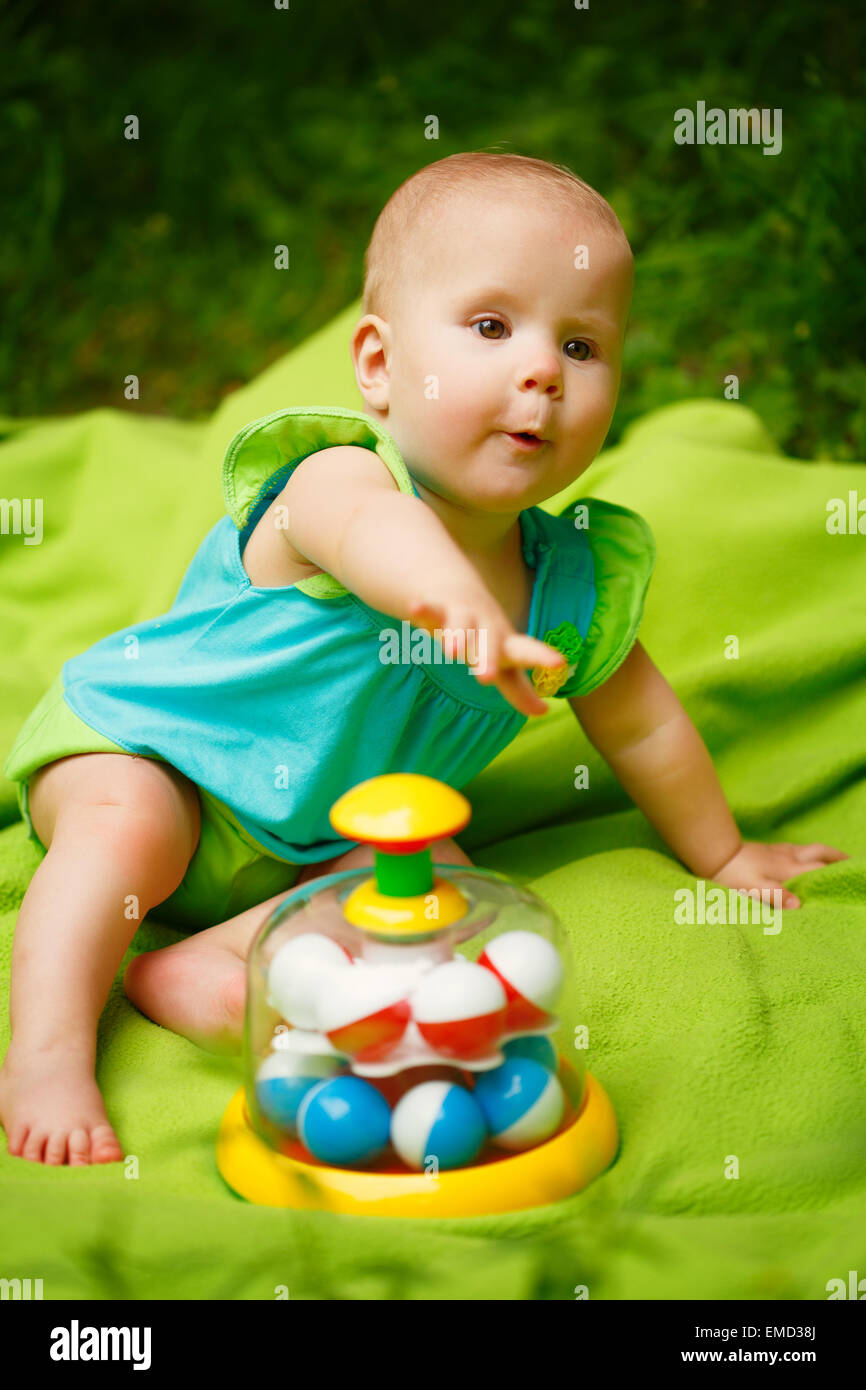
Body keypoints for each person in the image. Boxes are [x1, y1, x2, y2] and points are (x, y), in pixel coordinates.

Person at [0, 151, 846, 1166]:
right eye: (490, 328)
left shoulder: (570, 587)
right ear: (376, 366)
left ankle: (196, 968)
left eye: (580, 345)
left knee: (435, 877)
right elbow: (372, 538)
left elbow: (643, 722)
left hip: (314, 841)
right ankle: (46, 1052)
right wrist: (446, 600)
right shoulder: (334, 476)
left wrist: (719, 854)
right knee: (124, 824)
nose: (540, 370)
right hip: (152, 755)